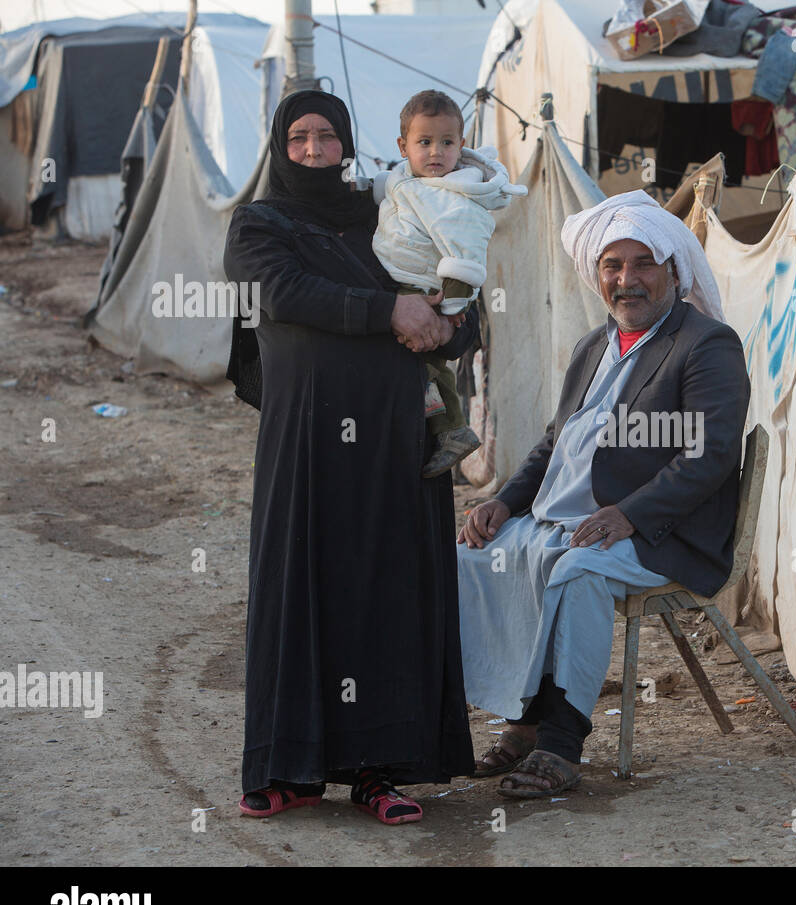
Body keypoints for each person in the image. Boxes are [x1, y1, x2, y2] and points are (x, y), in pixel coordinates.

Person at [223, 89, 476, 825]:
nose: (311, 149)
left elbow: (459, 301)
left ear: (348, 143)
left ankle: (378, 770)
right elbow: (284, 291)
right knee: (298, 585)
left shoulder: (394, 211)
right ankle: (289, 765)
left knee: (385, 593)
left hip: (399, 437)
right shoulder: (258, 223)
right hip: (306, 440)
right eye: (298, 137)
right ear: (280, 144)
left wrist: (446, 327)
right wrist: (389, 310)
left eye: (326, 136)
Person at [456, 190, 750, 798]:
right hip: (571, 516)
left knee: (577, 573)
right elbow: (551, 445)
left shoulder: (706, 344)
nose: (627, 279)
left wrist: (630, 514)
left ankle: (560, 745)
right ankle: (523, 720)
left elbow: (711, 454)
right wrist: (503, 503)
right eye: (613, 266)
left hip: (665, 533)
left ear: (673, 270)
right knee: (478, 556)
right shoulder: (594, 345)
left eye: (642, 264)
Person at [371, 89, 526, 478]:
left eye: (446, 142)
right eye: (424, 142)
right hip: (400, 281)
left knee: (427, 364)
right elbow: (391, 189)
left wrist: (453, 310)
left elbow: (466, 252)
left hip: (425, 289)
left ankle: (451, 429)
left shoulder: (457, 196)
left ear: (461, 145)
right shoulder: (408, 181)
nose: (436, 152)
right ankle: (445, 428)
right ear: (402, 146)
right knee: (422, 365)